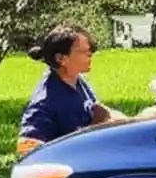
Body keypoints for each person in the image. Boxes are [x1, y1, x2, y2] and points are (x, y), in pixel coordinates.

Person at [16, 24, 113, 155]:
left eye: (90, 50)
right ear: (61, 59)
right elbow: (27, 149)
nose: (90, 54)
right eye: (83, 51)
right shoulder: (44, 102)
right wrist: (95, 126)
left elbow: (98, 112)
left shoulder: (78, 82)